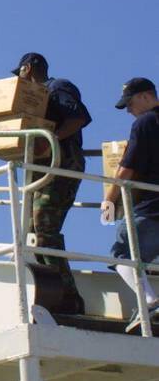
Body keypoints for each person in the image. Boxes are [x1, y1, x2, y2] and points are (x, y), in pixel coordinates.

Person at [15, 53, 91, 314]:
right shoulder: (34, 98)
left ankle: (69, 296)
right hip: (41, 165)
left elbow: (78, 118)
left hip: (62, 162)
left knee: (45, 227)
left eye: (21, 72)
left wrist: (50, 139)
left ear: (28, 68)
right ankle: (54, 291)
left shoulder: (57, 87)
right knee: (34, 230)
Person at [104, 78, 159, 331]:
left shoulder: (146, 122)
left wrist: (110, 199)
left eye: (130, 103)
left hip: (152, 207)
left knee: (123, 253)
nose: (128, 110)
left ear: (147, 96)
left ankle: (150, 302)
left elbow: (127, 168)